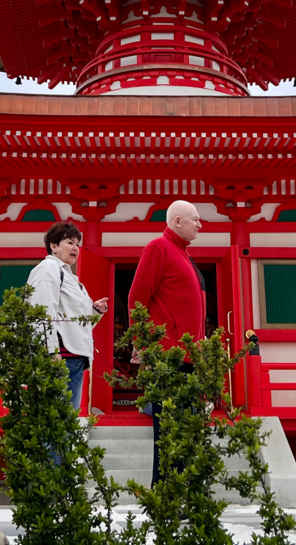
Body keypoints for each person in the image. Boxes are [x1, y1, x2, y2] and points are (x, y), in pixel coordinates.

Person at [128, 199, 206, 484]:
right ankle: (164, 493)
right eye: (195, 219)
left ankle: (180, 491)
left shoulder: (184, 254)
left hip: (188, 356)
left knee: (184, 427)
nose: (200, 224)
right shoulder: (158, 248)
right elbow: (137, 298)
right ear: (177, 222)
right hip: (167, 355)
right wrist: (145, 346)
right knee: (168, 428)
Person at [27, 220, 108, 411]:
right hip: (61, 357)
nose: (76, 248)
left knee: (65, 422)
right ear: (53, 246)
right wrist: (50, 351)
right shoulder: (48, 269)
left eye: (77, 244)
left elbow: (79, 325)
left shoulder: (74, 280)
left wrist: (95, 311)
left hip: (75, 357)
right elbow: (41, 311)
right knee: (55, 422)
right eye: (70, 243)